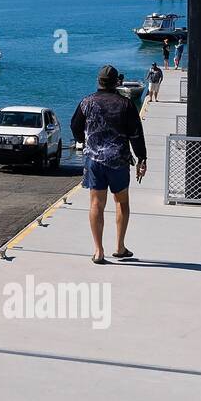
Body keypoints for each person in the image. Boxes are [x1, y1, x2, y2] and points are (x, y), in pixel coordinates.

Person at [70, 65, 148, 265]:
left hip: (94, 161)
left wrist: (85, 141)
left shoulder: (86, 102)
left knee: (96, 204)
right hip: (118, 161)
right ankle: (120, 247)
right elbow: (136, 134)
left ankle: (98, 251)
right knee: (121, 202)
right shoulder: (126, 104)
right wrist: (142, 158)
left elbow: (75, 126)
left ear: (99, 81)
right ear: (117, 82)